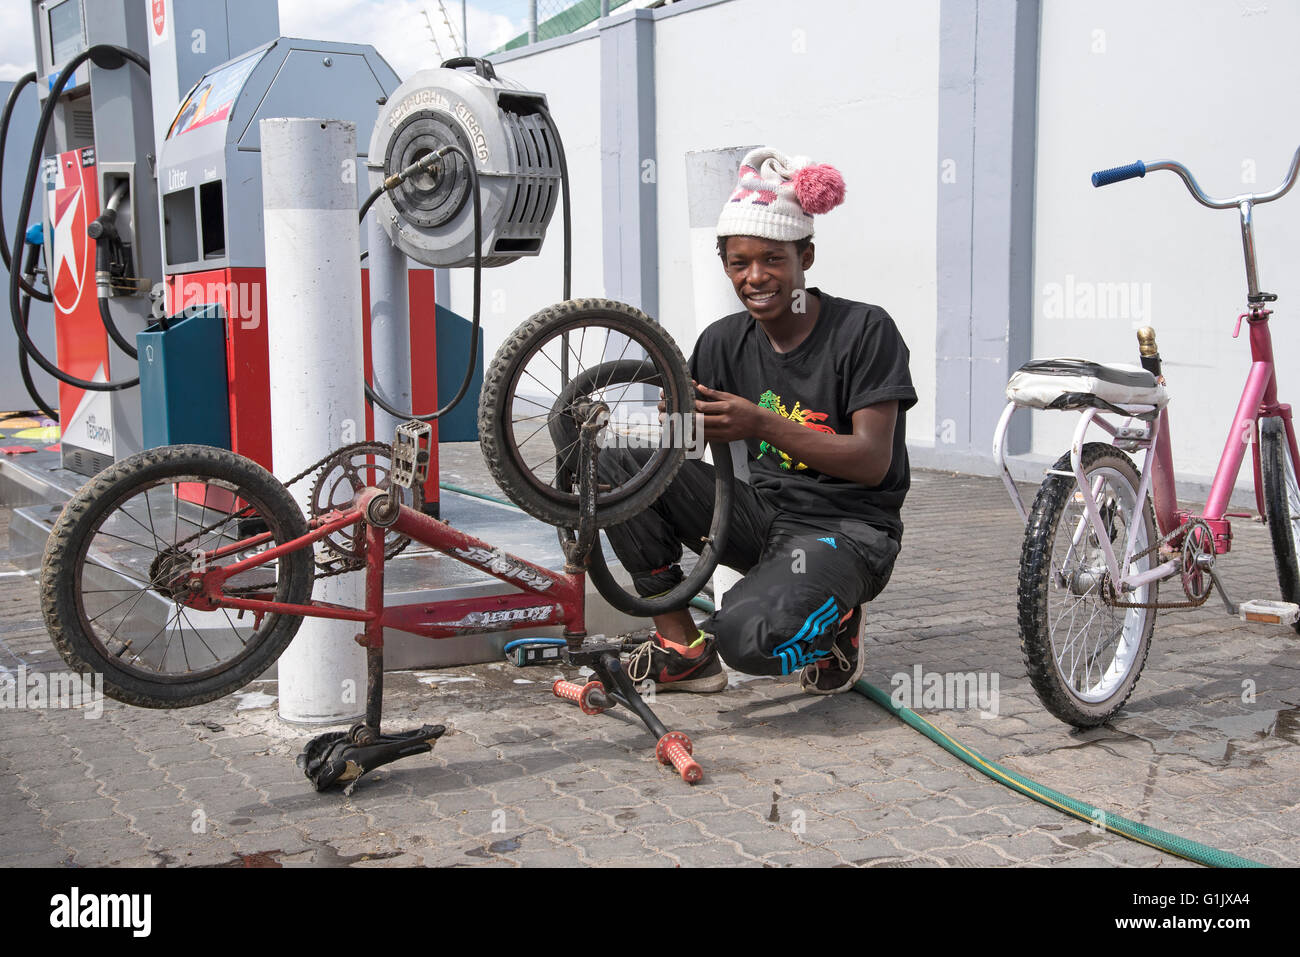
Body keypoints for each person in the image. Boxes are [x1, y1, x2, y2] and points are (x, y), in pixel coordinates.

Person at [600, 147, 916, 695]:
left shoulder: (864, 331)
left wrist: (761, 423)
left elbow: (871, 461)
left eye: (773, 259)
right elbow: (688, 452)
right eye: (739, 262)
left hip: (846, 530)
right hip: (761, 515)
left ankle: (837, 625)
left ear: (806, 257)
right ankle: (682, 650)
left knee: (750, 639)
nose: (755, 277)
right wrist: (679, 424)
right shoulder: (723, 341)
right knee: (618, 469)